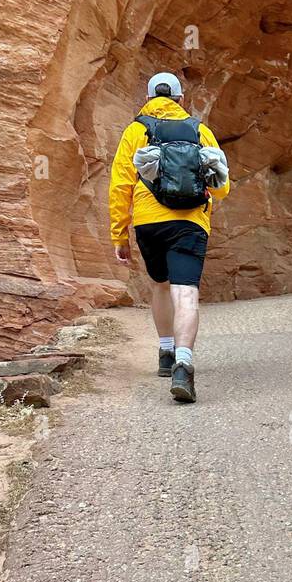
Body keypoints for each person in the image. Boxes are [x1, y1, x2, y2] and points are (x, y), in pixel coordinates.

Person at [109, 72, 230, 402]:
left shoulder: (136, 130)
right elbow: (222, 187)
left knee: (160, 285)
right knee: (186, 292)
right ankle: (183, 364)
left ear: (147, 99)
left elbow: (120, 185)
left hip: (149, 223)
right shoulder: (200, 131)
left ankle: (164, 352)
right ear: (180, 99)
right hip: (191, 223)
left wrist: (119, 235)